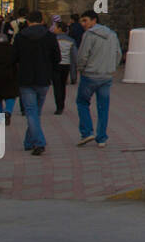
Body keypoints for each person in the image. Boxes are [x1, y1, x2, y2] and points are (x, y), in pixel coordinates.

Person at [13, 10, 60, 156]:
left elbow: (14, 57)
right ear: (41, 21)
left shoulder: (20, 37)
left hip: (26, 78)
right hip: (43, 78)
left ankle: (38, 142)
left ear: (27, 22)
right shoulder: (50, 37)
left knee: (31, 112)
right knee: (35, 112)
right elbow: (57, 58)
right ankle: (29, 142)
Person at [75, 10, 121, 147]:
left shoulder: (89, 35)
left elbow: (83, 55)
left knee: (82, 102)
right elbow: (118, 53)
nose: (83, 24)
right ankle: (102, 137)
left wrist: (81, 68)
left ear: (94, 20)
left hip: (90, 74)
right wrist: (111, 67)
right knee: (103, 107)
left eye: (85, 20)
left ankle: (87, 131)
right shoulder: (112, 35)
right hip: (106, 75)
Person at [50, 16, 73, 115]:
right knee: (62, 85)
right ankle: (61, 104)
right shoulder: (71, 40)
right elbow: (74, 56)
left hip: (56, 65)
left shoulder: (53, 40)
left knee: (57, 86)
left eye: (55, 27)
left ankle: (59, 105)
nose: (53, 29)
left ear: (59, 29)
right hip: (66, 64)